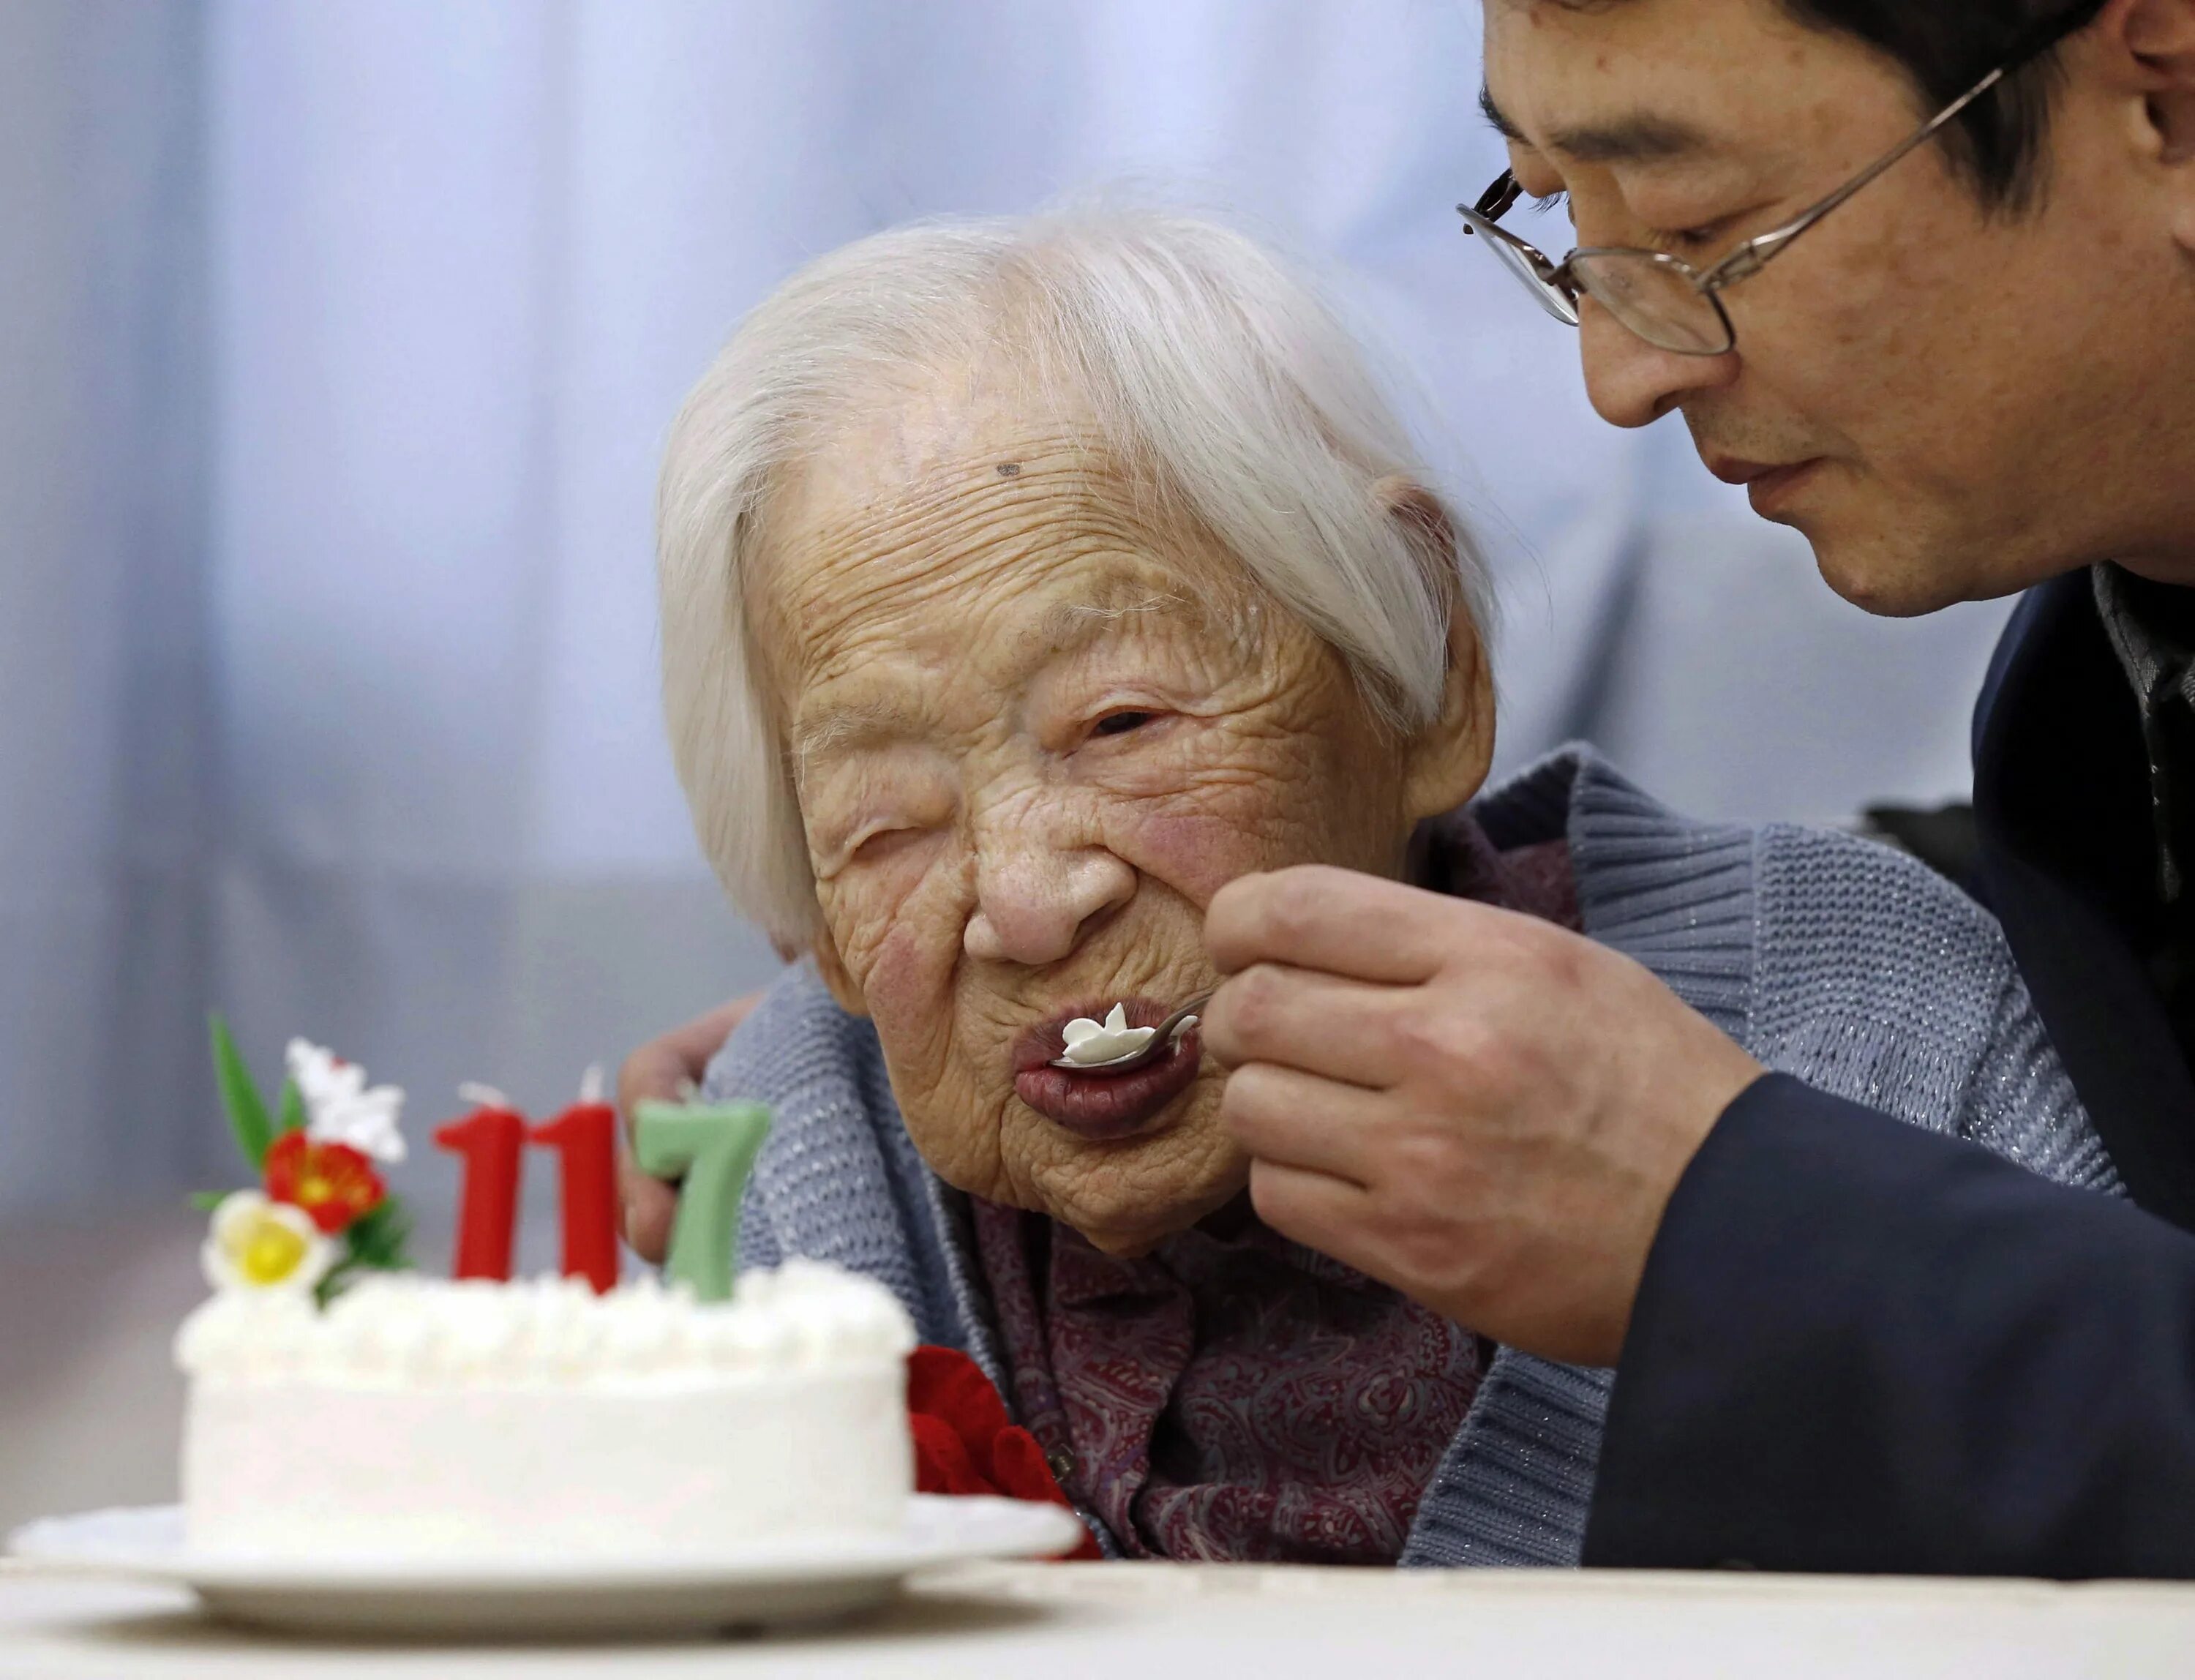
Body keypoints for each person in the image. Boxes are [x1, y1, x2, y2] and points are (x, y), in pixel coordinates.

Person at [627, 205, 2113, 1564]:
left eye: (1123, 721)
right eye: (888, 821)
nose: (1027, 902)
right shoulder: (805, 1170)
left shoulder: (1864, 1028)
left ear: (1423, 670)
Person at [1198, 0, 2195, 1577]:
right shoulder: (2113, 657)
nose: (1622, 377)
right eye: (1550, 215)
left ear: (2169, 104)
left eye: (1696, 225)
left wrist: (1731, 1225)